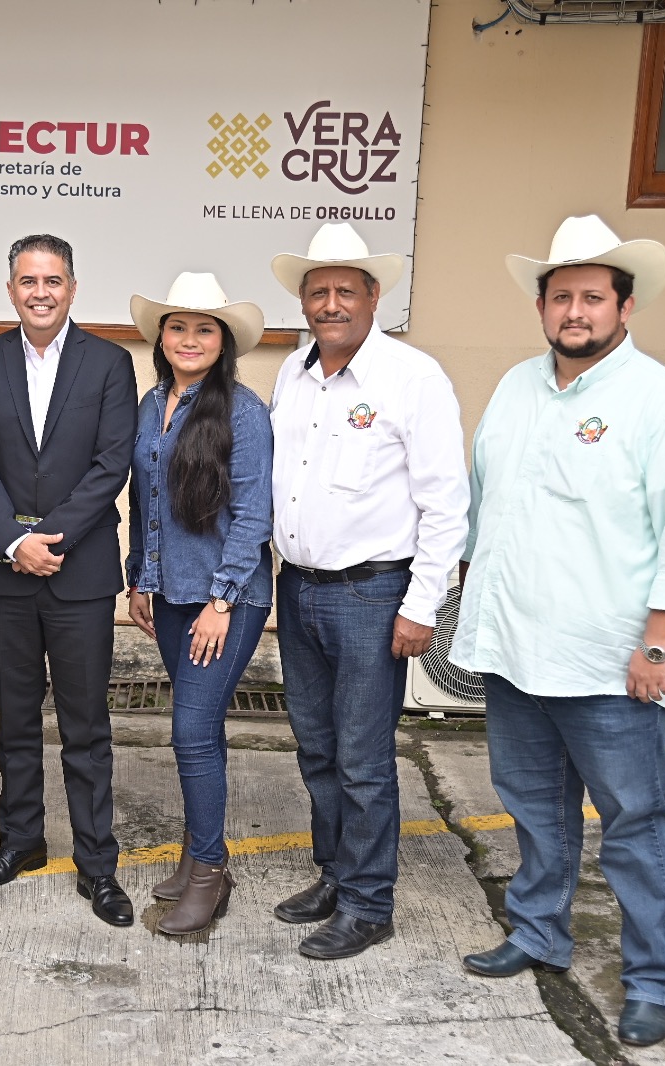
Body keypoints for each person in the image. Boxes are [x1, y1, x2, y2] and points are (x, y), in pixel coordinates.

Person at [451, 215, 665, 1049]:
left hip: (612, 664)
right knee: (536, 813)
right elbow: (482, 504)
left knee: (636, 828)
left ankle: (651, 980)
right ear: (542, 308)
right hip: (516, 653)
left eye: (592, 298)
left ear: (625, 308)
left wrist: (658, 645)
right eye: (562, 296)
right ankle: (538, 933)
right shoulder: (514, 388)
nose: (576, 311)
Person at [266, 223, 470, 959]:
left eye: (344, 290)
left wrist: (422, 606)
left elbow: (446, 502)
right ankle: (335, 873)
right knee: (316, 748)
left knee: (363, 757)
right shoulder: (293, 374)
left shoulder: (412, 378)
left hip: (371, 596)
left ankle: (368, 903)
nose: (329, 303)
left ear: (373, 297)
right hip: (301, 593)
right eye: (317, 292)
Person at [0, 234, 139, 927]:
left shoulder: (111, 364)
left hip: (79, 574)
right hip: (6, 576)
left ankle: (98, 867)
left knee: (88, 725)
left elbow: (110, 465)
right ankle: (21, 841)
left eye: (52, 280)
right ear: (10, 290)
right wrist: (13, 541)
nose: (40, 292)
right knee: (16, 720)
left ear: (72, 287)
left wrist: (47, 539)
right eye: (28, 281)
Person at [124, 273, 273, 936]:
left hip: (224, 601)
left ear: (224, 341)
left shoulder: (242, 410)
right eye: (178, 326)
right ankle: (198, 857)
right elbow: (145, 501)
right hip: (170, 593)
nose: (189, 339)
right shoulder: (150, 401)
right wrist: (140, 579)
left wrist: (221, 600)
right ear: (161, 337)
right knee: (200, 732)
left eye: (204, 328)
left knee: (189, 732)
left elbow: (252, 515)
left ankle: (209, 878)